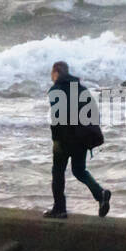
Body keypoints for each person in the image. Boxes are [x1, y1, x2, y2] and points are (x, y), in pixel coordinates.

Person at [44, 60, 111, 219]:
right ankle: (100, 194)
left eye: (52, 73)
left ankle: (60, 208)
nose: (51, 77)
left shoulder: (56, 90)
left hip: (65, 139)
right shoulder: (81, 89)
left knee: (58, 173)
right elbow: (93, 113)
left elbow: (57, 117)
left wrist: (56, 141)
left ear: (56, 72)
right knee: (79, 171)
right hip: (81, 139)